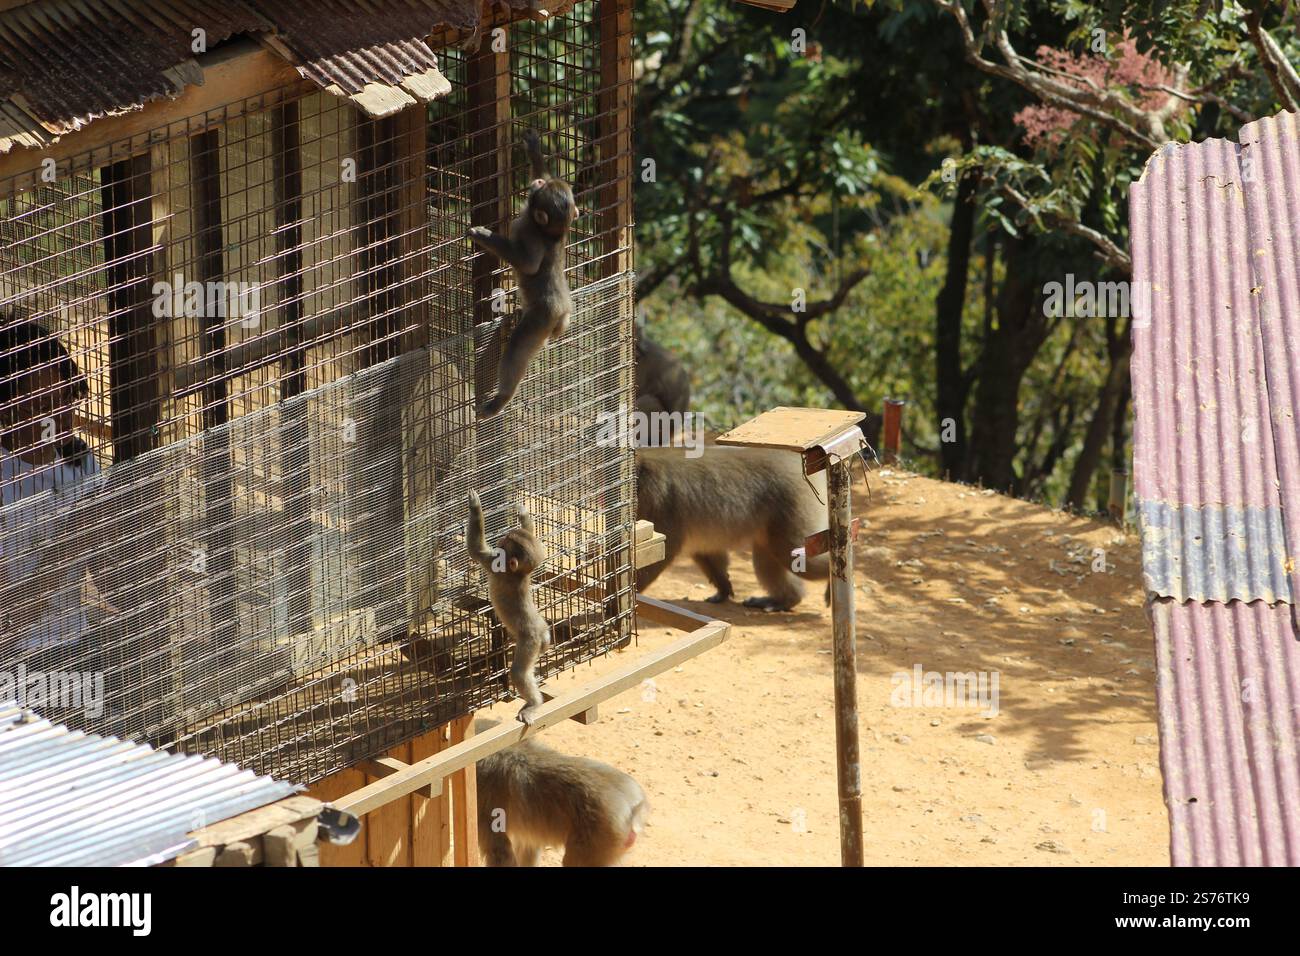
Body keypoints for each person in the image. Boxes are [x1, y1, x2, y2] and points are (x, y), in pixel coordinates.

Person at [0, 313, 106, 663]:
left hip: (76, 647)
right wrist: (72, 542)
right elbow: (9, 618)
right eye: (44, 406)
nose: (62, 417)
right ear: (8, 410)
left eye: (66, 398)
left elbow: (116, 586)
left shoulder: (80, 460)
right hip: (16, 664)